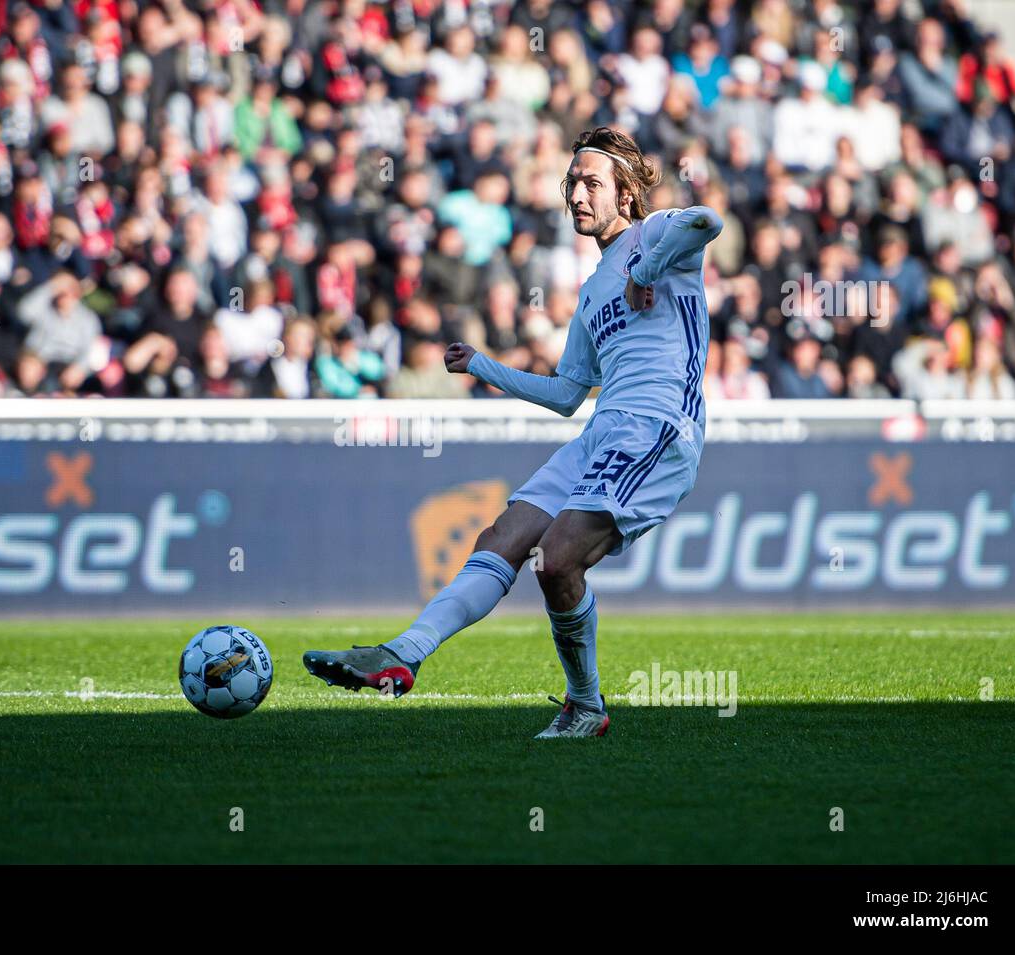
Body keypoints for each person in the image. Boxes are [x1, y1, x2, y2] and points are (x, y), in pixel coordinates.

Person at [303, 127, 723, 738]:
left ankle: (585, 707)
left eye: (591, 183)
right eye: (571, 183)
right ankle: (404, 654)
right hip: (602, 433)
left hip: (659, 428)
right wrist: (482, 365)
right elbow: (567, 394)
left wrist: (647, 267)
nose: (576, 194)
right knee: (503, 534)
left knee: (555, 560)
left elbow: (707, 220)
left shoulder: (655, 234)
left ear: (626, 195)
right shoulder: (589, 292)